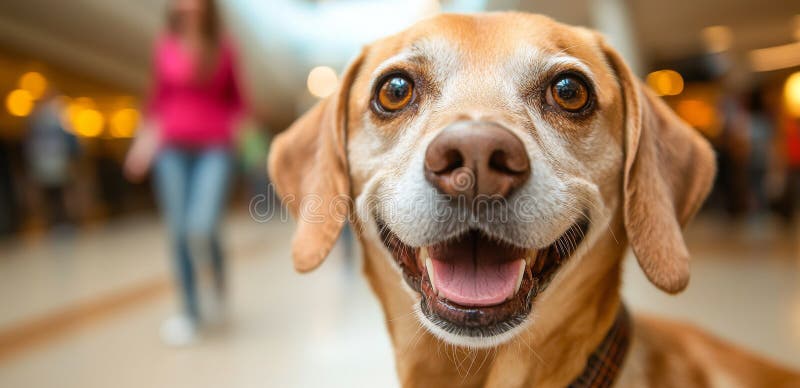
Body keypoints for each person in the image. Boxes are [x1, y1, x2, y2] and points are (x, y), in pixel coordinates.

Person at [124, 0, 245, 346]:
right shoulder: (164, 44)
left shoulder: (224, 46)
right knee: (178, 231)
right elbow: (157, 101)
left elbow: (238, 100)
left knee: (202, 226)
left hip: (214, 148)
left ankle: (218, 276)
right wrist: (142, 145)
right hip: (170, 151)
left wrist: (244, 135)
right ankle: (190, 312)